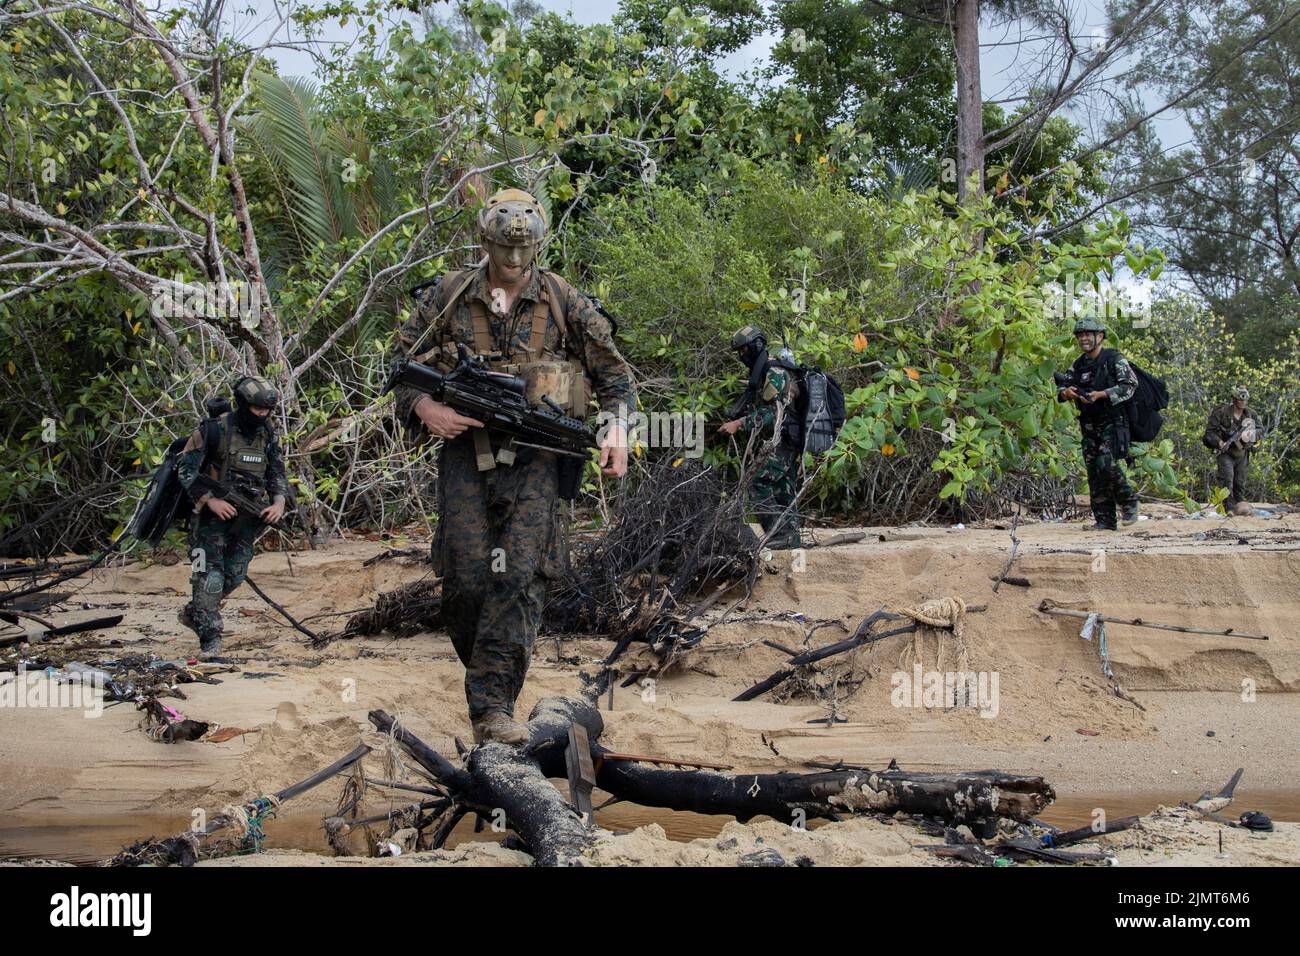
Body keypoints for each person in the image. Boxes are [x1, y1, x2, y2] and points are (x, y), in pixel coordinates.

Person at [391, 188, 633, 745]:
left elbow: (616, 379)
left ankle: (492, 708)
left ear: (538, 245)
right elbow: (399, 365)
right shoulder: (449, 295)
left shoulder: (566, 300)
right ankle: (489, 679)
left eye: (524, 252)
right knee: (466, 578)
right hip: (466, 452)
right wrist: (425, 407)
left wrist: (617, 427)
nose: (514, 261)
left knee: (519, 576)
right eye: (504, 251)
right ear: (485, 241)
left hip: (538, 458)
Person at [176, 376, 288, 658]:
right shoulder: (214, 430)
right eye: (257, 409)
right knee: (210, 577)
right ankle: (210, 637)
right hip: (208, 520)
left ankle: (196, 611)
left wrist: (278, 503)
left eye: (266, 411)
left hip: (245, 519)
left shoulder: (267, 433)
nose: (261, 415)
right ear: (243, 404)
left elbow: (276, 472)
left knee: (235, 574)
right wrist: (210, 500)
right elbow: (185, 469)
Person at [718, 325, 801, 548]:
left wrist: (739, 424)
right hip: (783, 438)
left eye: (744, 350)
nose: (741, 355)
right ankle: (791, 539)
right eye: (739, 351)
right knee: (784, 489)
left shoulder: (774, 372)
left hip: (783, 438)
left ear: (756, 345)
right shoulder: (762, 370)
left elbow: (774, 413)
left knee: (756, 481)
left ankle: (779, 534)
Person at [1055, 317, 1140, 531]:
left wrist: (1101, 394)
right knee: (1094, 471)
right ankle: (1105, 520)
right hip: (1088, 425)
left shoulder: (1114, 359)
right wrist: (1067, 393)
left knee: (1106, 462)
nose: (1083, 339)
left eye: (1087, 334)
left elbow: (1130, 386)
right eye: (1080, 335)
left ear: (1099, 336)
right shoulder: (1078, 364)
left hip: (1113, 422)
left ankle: (1129, 501)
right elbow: (1063, 387)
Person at [1202, 386, 1260, 511]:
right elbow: (1209, 432)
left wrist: (1250, 434)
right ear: (1234, 399)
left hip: (1242, 453)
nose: (1243, 402)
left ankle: (1240, 508)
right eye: (1240, 399)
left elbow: (1261, 430)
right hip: (1226, 452)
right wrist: (1219, 442)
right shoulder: (1222, 413)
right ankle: (1228, 508)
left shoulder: (1250, 414)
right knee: (1227, 480)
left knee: (1240, 482)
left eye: (1245, 400)